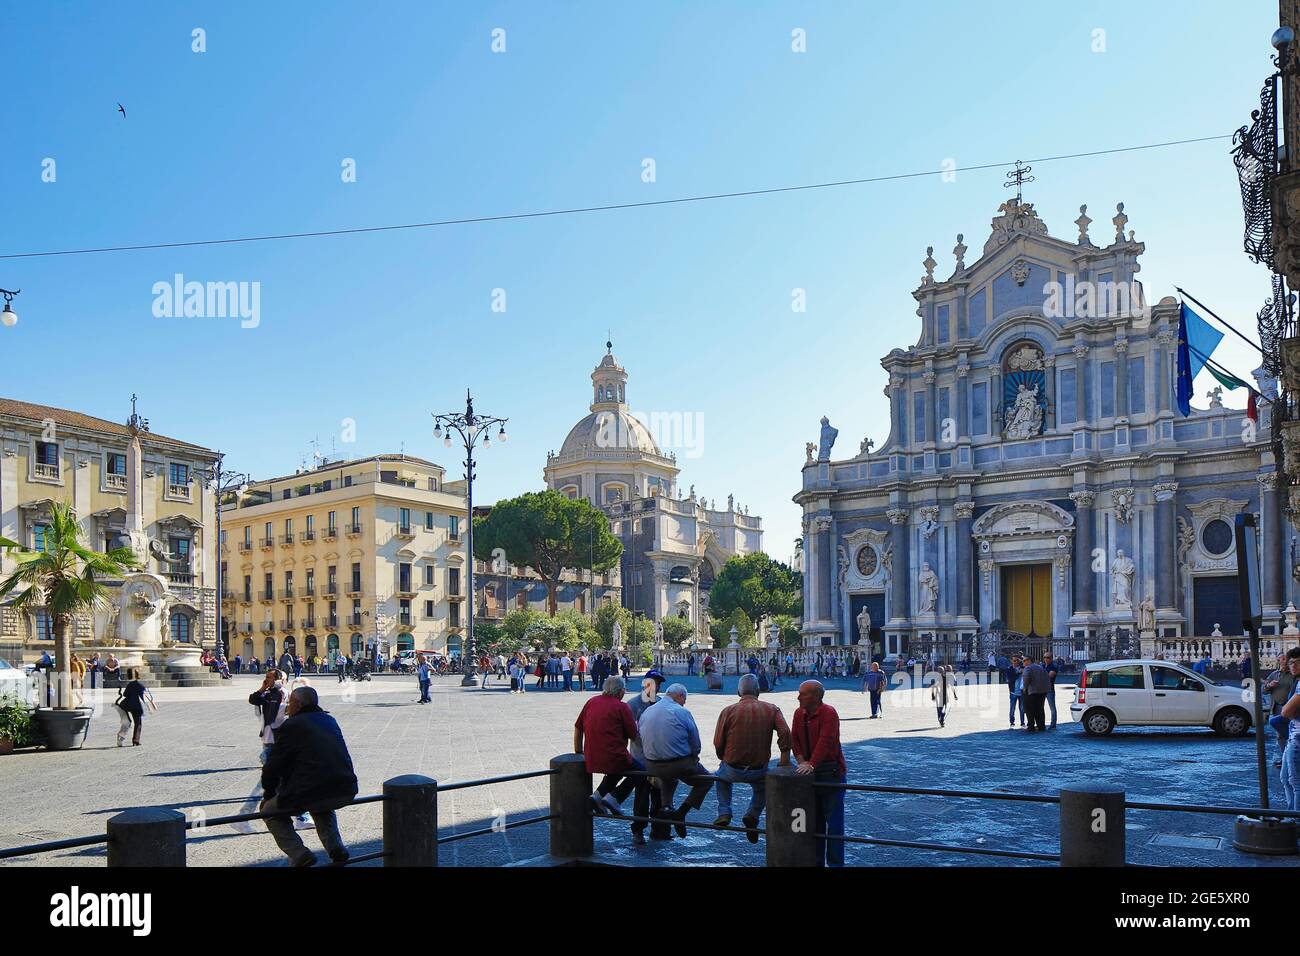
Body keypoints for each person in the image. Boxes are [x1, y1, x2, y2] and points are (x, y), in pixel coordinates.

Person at [260, 686, 358, 867]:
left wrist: (268, 793)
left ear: (297, 704)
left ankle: (299, 853)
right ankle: (336, 848)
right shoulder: (329, 720)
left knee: (268, 811)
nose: (288, 707)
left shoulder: (291, 725)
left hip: (311, 790)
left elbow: (272, 766)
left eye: (290, 703)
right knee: (322, 803)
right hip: (345, 787)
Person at [712, 673, 791, 842]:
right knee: (762, 788)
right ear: (758, 691)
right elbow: (785, 731)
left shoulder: (728, 711)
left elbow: (718, 742)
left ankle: (724, 812)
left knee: (721, 779)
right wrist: (784, 756)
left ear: (738, 692)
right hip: (758, 769)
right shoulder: (771, 709)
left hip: (732, 768)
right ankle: (753, 814)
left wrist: (723, 758)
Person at [638, 683, 713, 836]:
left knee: (668, 777)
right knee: (707, 780)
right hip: (679, 764)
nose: (684, 703)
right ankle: (682, 812)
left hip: (651, 765)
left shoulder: (648, 711)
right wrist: (694, 757)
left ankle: (666, 807)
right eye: (684, 699)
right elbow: (695, 742)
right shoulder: (681, 712)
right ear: (680, 696)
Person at [791, 680, 845, 867]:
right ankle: (816, 863)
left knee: (835, 824)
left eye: (802, 694)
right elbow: (794, 738)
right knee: (815, 823)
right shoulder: (799, 713)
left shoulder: (829, 713)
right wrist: (801, 761)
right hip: (810, 772)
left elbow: (826, 741)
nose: (798, 697)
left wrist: (811, 764)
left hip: (830, 772)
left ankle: (836, 864)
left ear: (815, 697)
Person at [575, 676, 643, 820]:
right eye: (624, 689)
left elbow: (578, 727)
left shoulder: (591, 701)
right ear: (619, 691)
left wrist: (578, 751)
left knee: (619, 769)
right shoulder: (622, 706)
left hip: (591, 756)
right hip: (614, 757)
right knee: (641, 771)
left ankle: (598, 796)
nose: (625, 692)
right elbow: (633, 734)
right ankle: (615, 797)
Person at [115, 669, 153, 747]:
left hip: (127, 705)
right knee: (138, 723)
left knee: (127, 723)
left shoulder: (130, 684)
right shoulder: (140, 685)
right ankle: (136, 740)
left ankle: (121, 738)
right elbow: (144, 697)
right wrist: (150, 706)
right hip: (136, 706)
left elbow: (125, 694)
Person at [1020, 656, 1050, 732]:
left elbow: (1026, 678)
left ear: (1029, 660)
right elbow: (1047, 677)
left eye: (1024, 661)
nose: (1023, 662)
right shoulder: (1040, 667)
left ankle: (1031, 726)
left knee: (1029, 709)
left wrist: (1025, 688)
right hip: (1042, 692)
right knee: (1040, 709)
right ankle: (1041, 726)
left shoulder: (1028, 668)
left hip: (1031, 692)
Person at [930, 663, 957, 727]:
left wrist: (955, 695)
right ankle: (941, 719)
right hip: (940, 695)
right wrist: (933, 695)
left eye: (941, 671)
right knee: (941, 708)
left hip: (944, 695)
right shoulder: (938, 678)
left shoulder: (945, 677)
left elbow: (951, 686)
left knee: (943, 708)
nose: (940, 672)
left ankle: (941, 719)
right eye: (939, 671)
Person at [1042, 651, 1061, 729]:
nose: (1046, 659)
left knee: (1052, 708)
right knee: (1040, 707)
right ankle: (1041, 723)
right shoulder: (1042, 665)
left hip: (1049, 689)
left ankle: (1053, 725)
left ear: (1051, 658)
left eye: (1048, 657)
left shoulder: (1054, 666)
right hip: (1041, 689)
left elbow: (1048, 677)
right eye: (1044, 657)